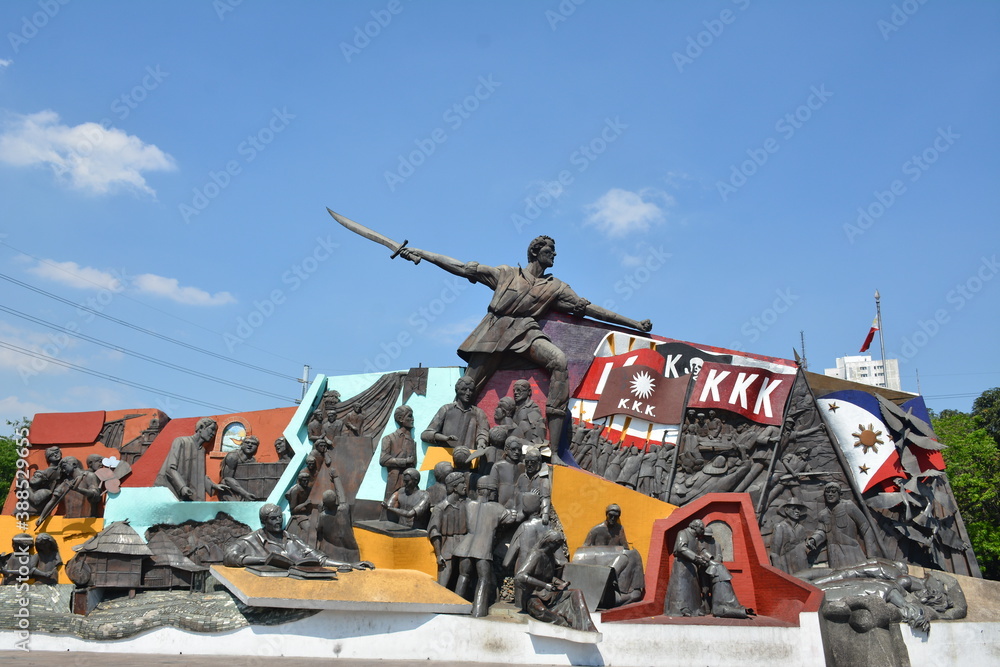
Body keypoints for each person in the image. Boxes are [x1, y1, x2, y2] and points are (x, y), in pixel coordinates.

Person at [400, 235, 652, 452]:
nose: (554, 254)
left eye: (554, 251)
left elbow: (590, 309)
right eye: (548, 250)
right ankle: (450, 439)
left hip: (526, 332)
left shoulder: (555, 287)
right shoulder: (506, 274)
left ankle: (554, 450)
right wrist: (421, 253)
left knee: (559, 362)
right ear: (535, 252)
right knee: (468, 387)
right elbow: (463, 267)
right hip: (494, 332)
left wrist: (633, 323)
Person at [224, 503, 373, 570]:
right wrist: (264, 560)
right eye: (273, 519)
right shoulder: (251, 540)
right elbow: (230, 556)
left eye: (279, 517)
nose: (278, 521)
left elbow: (319, 559)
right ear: (263, 521)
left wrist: (350, 565)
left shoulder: (293, 539)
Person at [453, 476, 519, 616]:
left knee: (463, 576)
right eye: (494, 492)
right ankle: (479, 611)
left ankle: (456, 608)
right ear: (488, 492)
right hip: (482, 549)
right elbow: (512, 518)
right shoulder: (496, 508)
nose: (495, 495)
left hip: (464, 548)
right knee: (483, 579)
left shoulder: (469, 504)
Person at [515, 530, 598, 632]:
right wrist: (545, 585)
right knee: (542, 611)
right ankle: (567, 626)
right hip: (533, 597)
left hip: (548, 595)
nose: (557, 548)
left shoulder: (550, 556)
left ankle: (587, 625)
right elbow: (520, 576)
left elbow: (548, 577)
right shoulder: (535, 555)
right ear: (550, 543)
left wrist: (560, 583)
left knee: (576, 593)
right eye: (557, 545)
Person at [806, 483, 878, 568]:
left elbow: (866, 529)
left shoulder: (848, 506)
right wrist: (814, 540)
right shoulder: (823, 514)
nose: (830, 494)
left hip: (851, 552)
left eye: (833, 492)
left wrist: (871, 556)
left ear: (840, 494)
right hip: (834, 555)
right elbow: (822, 531)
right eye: (827, 492)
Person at [155, 418, 228, 501]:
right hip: (171, 493)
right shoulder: (181, 442)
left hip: (188, 495)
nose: (213, 433)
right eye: (211, 429)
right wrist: (182, 487)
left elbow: (199, 475)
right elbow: (170, 468)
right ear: (201, 428)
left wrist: (214, 485)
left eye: (214, 431)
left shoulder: (201, 450)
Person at [421, 377, 489, 450]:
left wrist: (481, 442)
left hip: (468, 455)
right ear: (457, 390)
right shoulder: (446, 409)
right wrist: (445, 438)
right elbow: (425, 434)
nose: (468, 393)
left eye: (471, 390)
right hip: (446, 455)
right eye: (464, 389)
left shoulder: (478, 413)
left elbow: (483, 433)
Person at [427, 471, 469, 589]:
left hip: (464, 543)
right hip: (447, 544)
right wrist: (439, 554)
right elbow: (434, 531)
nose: (465, 486)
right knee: (444, 575)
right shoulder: (440, 508)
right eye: (462, 483)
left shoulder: (468, 504)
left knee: (465, 573)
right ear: (454, 487)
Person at [379, 405, 417, 506]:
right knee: (390, 507)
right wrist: (404, 461)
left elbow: (414, 463)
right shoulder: (389, 438)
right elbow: (383, 460)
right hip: (395, 479)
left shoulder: (413, 442)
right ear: (400, 419)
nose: (412, 419)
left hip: (409, 483)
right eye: (409, 416)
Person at [770, 498, 810, 574]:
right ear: (786, 510)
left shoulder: (801, 528)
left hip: (802, 567)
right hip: (786, 567)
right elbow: (775, 553)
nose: (797, 511)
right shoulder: (780, 527)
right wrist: (779, 573)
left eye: (798, 509)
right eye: (794, 509)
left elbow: (804, 548)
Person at [220, 436, 261, 502]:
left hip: (245, 491)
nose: (250, 445)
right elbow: (227, 479)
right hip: (230, 491)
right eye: (247, 442)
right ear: (242, 444)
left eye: (253, 444)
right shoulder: (233, 457)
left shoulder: (252, 460)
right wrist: (245, 493)